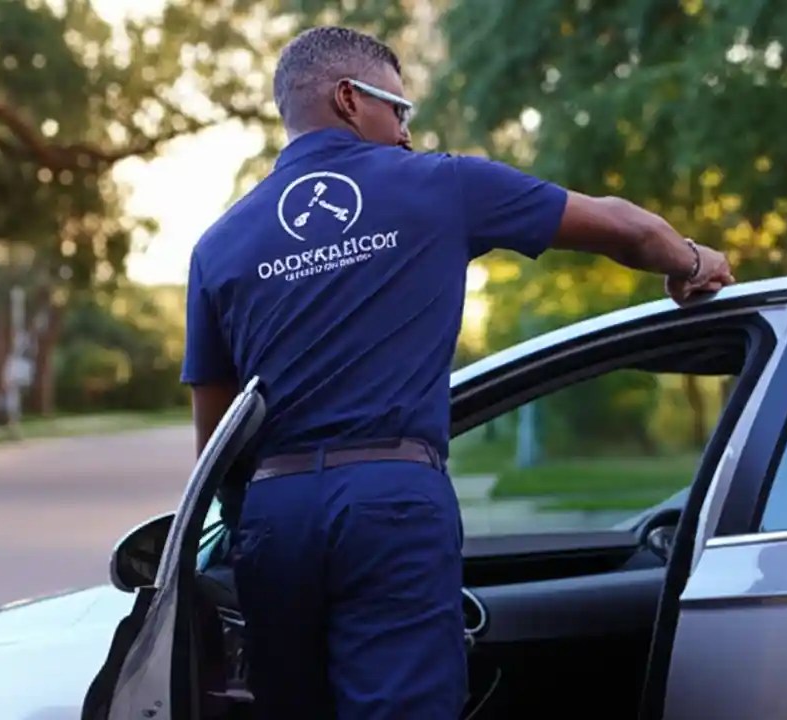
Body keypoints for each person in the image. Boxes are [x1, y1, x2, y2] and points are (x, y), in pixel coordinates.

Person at [181, 25, 735, 720]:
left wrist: (250, 527)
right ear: (350, 99)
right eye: (399, 109)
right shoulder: (442, 184)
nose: (409, 131)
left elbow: (217, 438)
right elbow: (620, 226)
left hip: (273, 519)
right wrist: (690, 261)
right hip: (390, 502)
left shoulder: (218, 245)